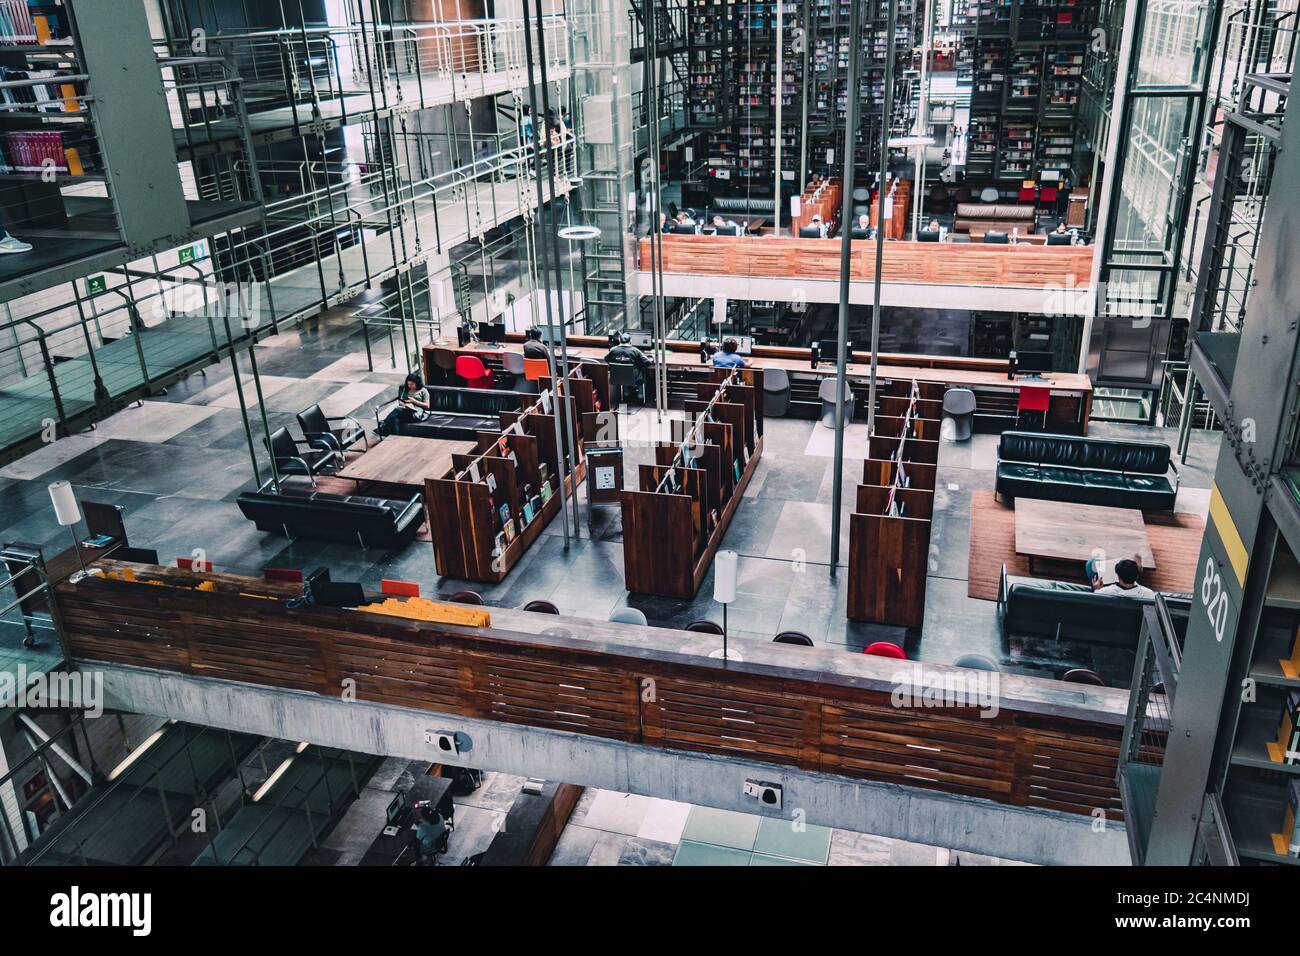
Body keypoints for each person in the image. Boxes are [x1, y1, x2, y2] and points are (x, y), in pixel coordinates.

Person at [377, 373, 430, 438]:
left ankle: (382, 425)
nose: (410, 386)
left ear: (417, 383)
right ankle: (396, 438)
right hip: (406, 411)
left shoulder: (423, 391)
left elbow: (427, 406)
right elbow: (401, 401)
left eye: (412, 384)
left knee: (397, 409)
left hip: (417, 413)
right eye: (408, 384)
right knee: (395, 419)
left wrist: (414, 401)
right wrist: (405, 404)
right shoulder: (406, 389)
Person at [1085, 555, 1155, 600]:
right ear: (1137, 576)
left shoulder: (1102, 593)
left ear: (1118, 576)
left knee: (1090, 564)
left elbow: (1096, 598)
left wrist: (1096, 590)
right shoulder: (1149, 594)